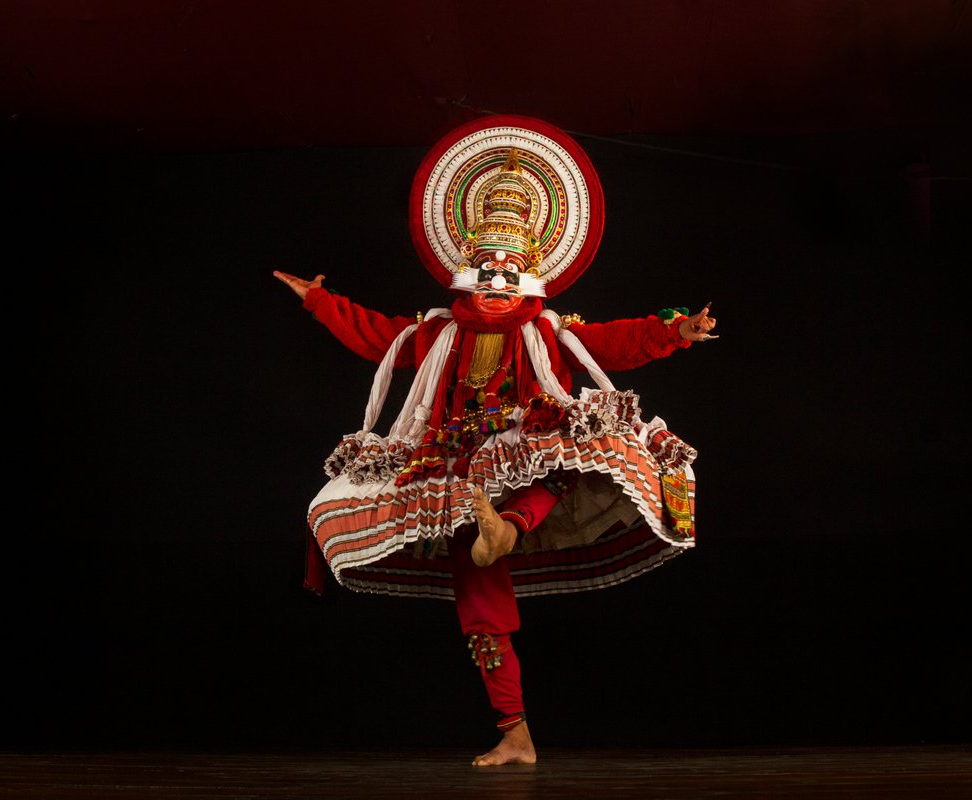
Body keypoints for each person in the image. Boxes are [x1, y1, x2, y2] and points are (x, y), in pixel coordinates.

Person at [276, 119, 717, 766]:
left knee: (577, 455)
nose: (496, 278)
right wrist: (319, 300)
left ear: (532, 273)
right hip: (456, 469)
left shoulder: (551, 329)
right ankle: (516, 731)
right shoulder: (437, 332)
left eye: (510, 268)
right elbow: (376, 335)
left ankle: (511, 524)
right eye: (485, 267)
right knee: (480, 596)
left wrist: (673, 332)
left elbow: (615, 341)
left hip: (531, 447)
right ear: (465, 271)